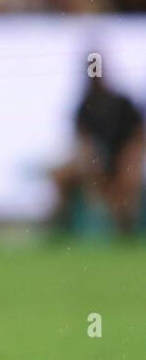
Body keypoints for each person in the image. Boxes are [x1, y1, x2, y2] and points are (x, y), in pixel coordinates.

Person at [50, 65, 144, 235]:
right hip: (94, 165)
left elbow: (138, 138)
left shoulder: (122, 103)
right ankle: (61, 226)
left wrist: (128, 162)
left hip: (122, 162)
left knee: (127, 179)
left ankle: (125, 227)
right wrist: (91, 169)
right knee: (60, 175)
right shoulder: (84, 106)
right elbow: (82, 144)